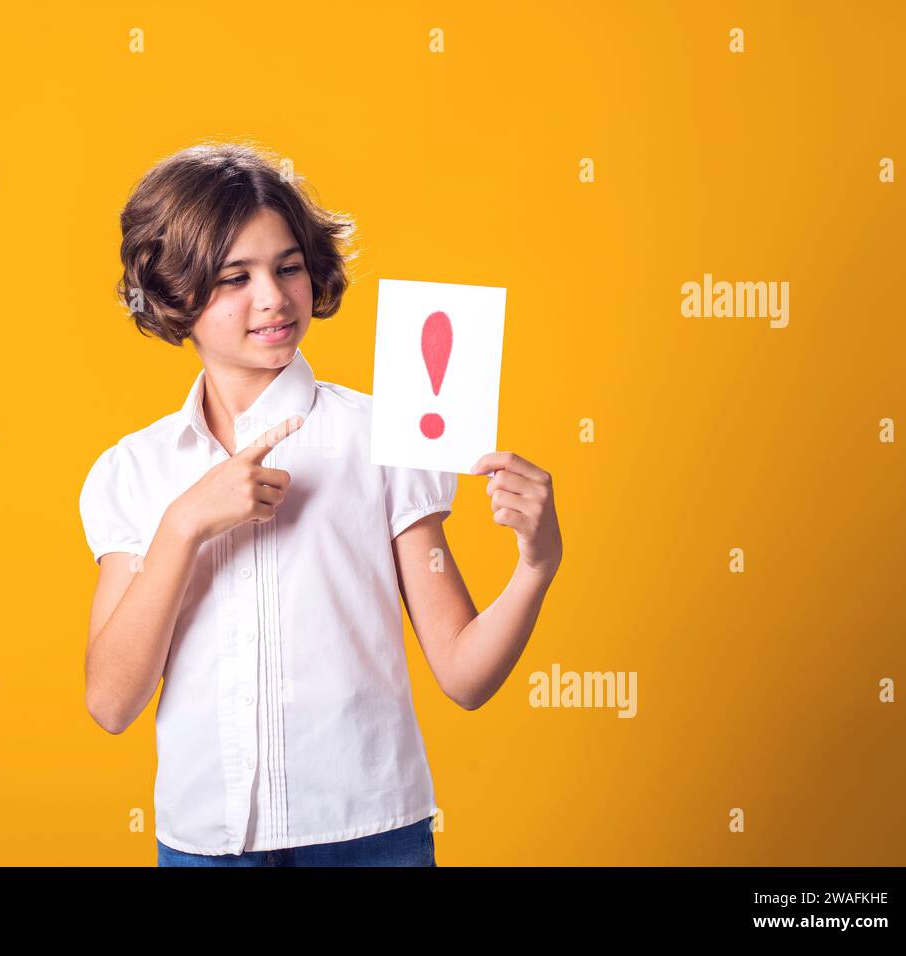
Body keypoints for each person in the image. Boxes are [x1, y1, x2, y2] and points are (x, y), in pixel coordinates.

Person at [79, 141, 563, 867]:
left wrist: (536, 565)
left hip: (368, 838)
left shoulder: (386, 438)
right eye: (234, 278)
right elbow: (112, 703)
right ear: (177, 294)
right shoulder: (134, 470)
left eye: (288, 267)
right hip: (205, 847)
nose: (272, 297)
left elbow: (464, 676)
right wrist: (185, 524)